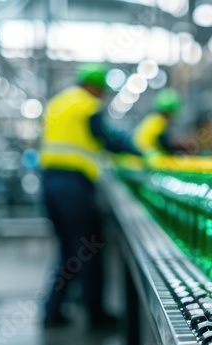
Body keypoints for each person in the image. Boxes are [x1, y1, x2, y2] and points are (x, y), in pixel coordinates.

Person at [39, 63, 139, 328]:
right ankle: (95, 314)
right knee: (90, 247)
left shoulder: (58, 103)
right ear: (94, 86)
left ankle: (52, 311)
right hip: (73, 185)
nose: (103, 96)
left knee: (69, 249)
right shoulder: (87, 105)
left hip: (49, 182)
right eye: (103, 90)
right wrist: (136, 151)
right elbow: (107, 139)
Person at [133, 88, 185, 158]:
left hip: (140, 154)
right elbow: (163, 141)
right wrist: (175, 150)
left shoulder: (152, 118)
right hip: (148, 155)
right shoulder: (160, 121)